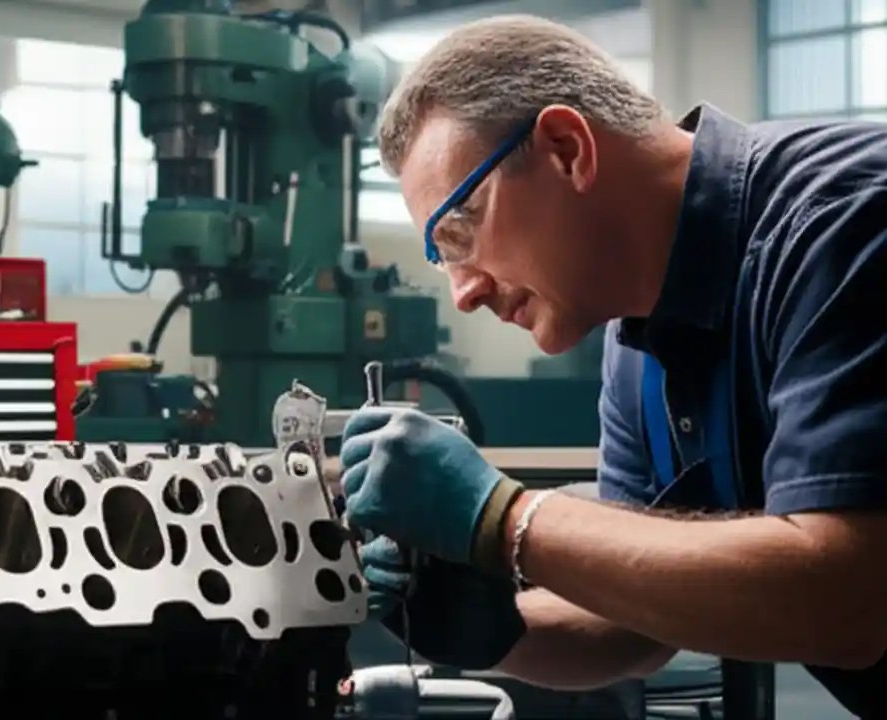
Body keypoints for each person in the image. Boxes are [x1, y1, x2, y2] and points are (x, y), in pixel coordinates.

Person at [339, 14, 887, 717]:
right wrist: (488, 631)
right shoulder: (633, 342)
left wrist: (504, 519)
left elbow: (846, 599)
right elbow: (635, 620)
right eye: (442, 257)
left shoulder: (840, 224)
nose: (465, 291)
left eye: (460, 230)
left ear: (566, 149)